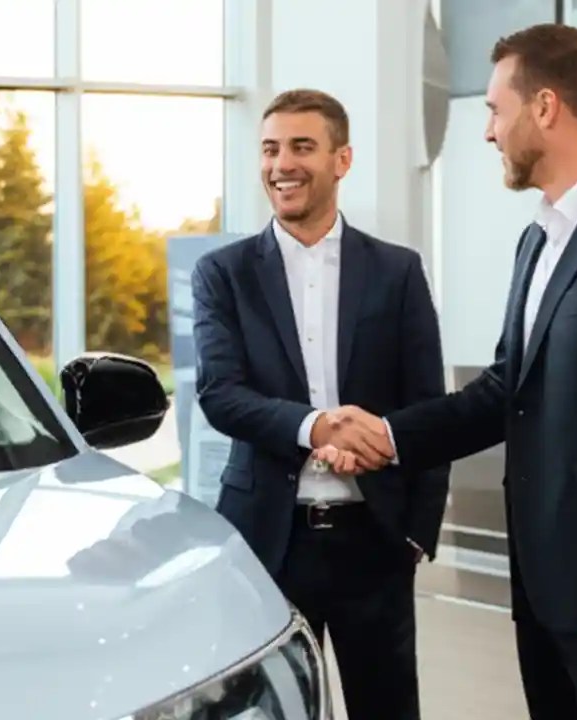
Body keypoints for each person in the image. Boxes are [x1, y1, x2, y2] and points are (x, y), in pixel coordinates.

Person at [311, 23, 577, 720]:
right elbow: (506, 390)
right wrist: (387, 434)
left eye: (495, 110)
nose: (487, 133)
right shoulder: (537, 238)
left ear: (545, 107)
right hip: (546, 589)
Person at [190, 88, 449, 720]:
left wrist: (417, 532)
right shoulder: (222, 273)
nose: (283, 164)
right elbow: (221, 395)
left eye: (302, 147)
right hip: (267, 545)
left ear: (342, 159)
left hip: (375, 544)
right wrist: (316, 426)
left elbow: (427, 405)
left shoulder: (397, 271)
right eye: (271, 148)